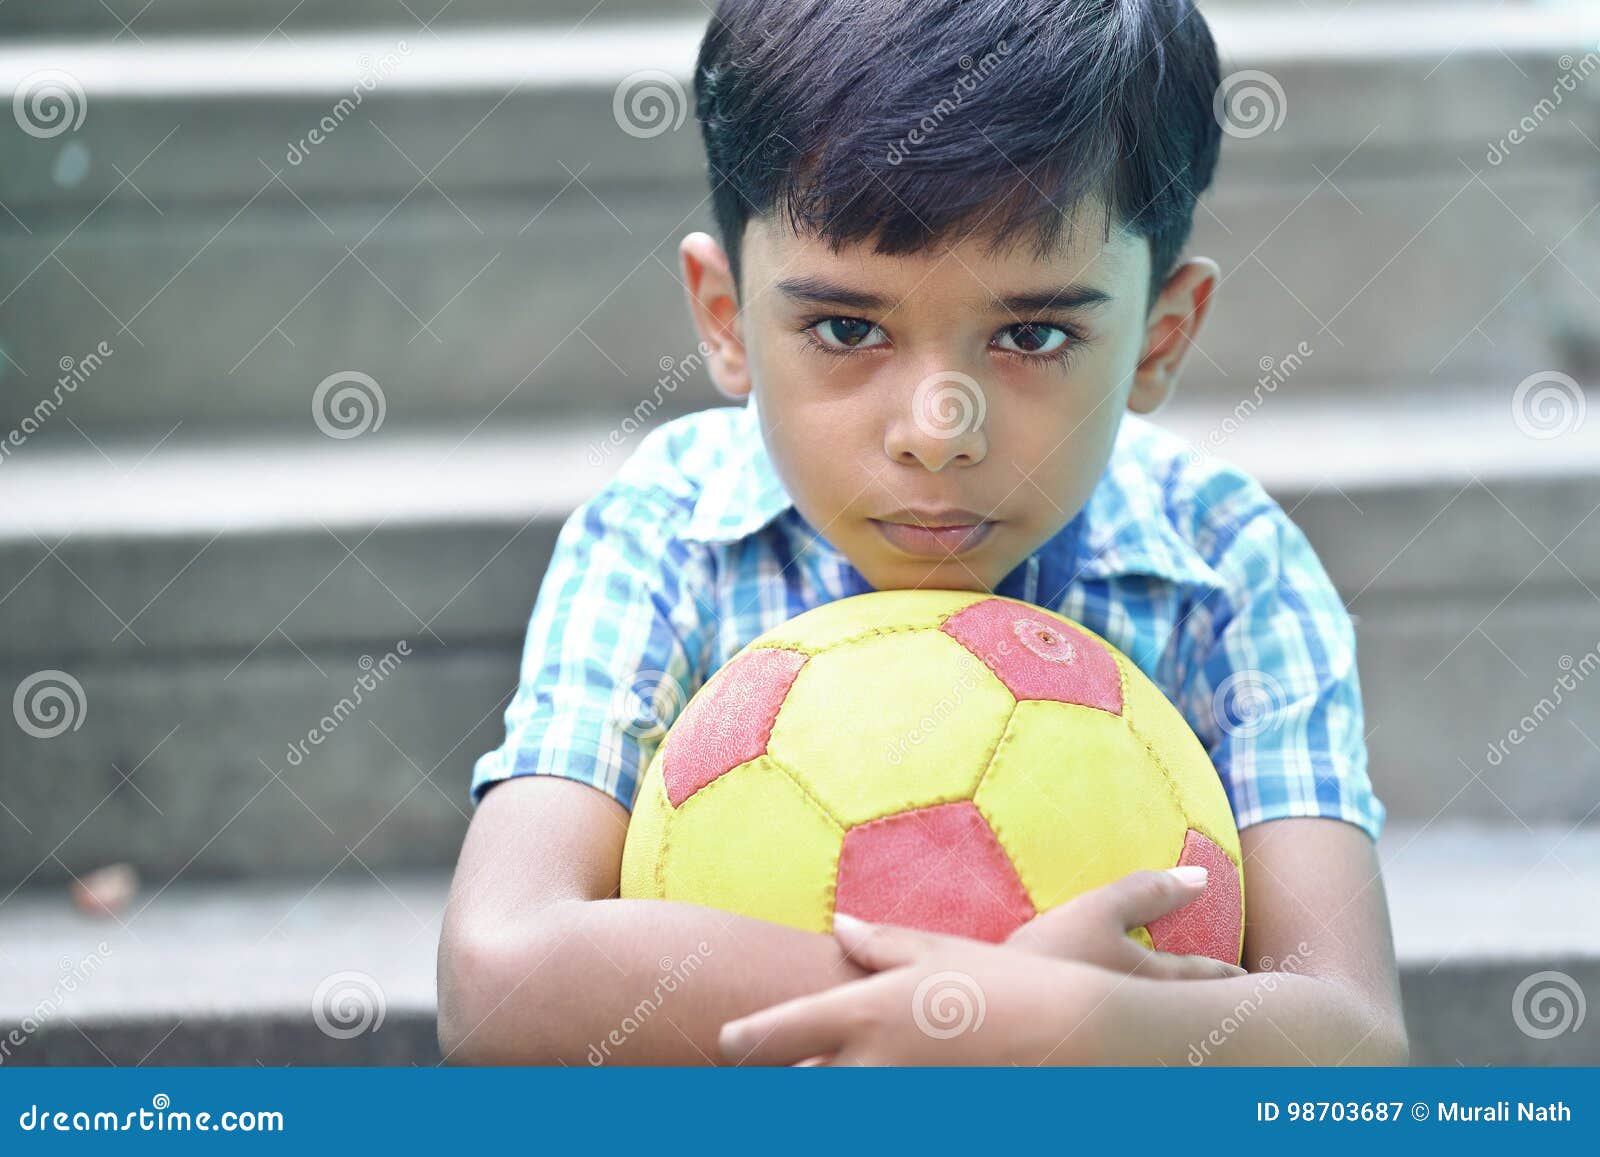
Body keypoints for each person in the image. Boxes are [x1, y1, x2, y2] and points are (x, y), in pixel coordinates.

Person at [437, 0, 1407, 1066]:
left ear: (1156, 340)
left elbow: (1352, 1038)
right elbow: (498, 972)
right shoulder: (671, 537)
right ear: (725, 319)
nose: (936, 432)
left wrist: (1069, 1023)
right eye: (847, 328)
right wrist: (965, 1006)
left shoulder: (1224, 570)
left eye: (1032, 333)